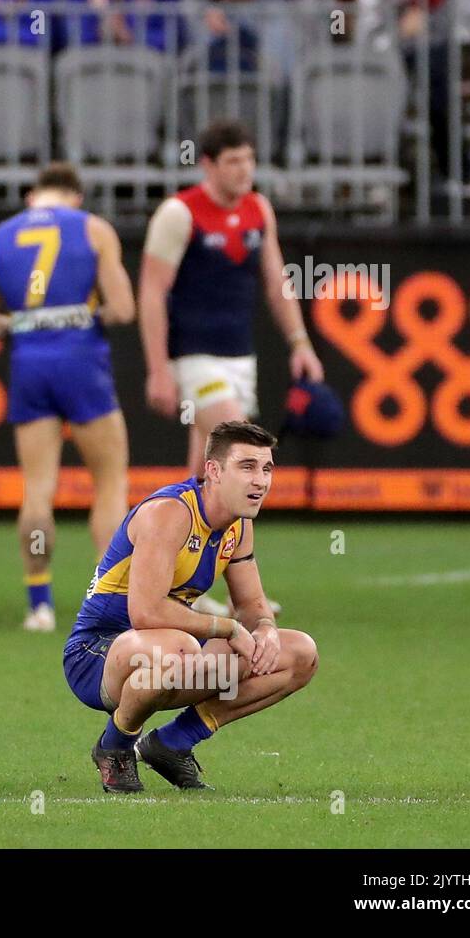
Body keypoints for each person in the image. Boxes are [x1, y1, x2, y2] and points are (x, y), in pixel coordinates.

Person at [63, 421, 318, 793]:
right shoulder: (169, 513)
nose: (260, 481)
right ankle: (115, 746)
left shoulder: (239, 525)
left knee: (298, 653)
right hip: (96, 656)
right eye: (247, 467)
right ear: (213, 471)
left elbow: (251, 604)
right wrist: (231, 629)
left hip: (172, 652)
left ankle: (173, 743)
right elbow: (145, 613)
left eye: (266, 469)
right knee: (178, 648)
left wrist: (263, 628)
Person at [138, 120, 323, 616]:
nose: (245, 170)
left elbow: (276, 279)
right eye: (234, 162)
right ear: (208, 164)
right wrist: (158, 367)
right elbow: (152, 290)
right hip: (195, 358)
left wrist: (300, 342)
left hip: (242, 357)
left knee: (204, 474)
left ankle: (177, 582)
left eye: (249, 159)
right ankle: (246, 596)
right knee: (239, 454)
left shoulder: (258, 209)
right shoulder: (180, 214)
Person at [0, 163, 135, 633]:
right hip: (83, 363)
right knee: (109, 484)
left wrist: (25, 321)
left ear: (31, 197)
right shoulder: (94, 229)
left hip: (30, 366)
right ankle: (107, 603)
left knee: (37, 490)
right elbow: (123, 309)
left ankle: (38, 603)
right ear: (75, 197)